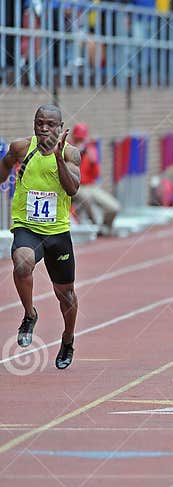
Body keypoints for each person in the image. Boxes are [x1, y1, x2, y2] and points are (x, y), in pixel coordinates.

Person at [0, 105, 82, 369]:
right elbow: (2, 171)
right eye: (39, 123)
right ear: (34, 124)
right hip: (28, 227)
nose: (44, 128)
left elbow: (73, 189)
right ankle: (29, 314)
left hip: (57, 232)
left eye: (50, 124)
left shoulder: (70, 153)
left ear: (60, 127)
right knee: (22, 263)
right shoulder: (21, 148)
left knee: (66, 296)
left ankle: (67, 339)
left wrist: (58, 157)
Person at [69, 122, 120, 236]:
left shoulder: (90, 151)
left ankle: (105, 227)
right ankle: (96, 226)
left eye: (82, 140)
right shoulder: (67, 150)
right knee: (85, 197)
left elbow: (96, 175)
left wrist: (94, 162)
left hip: (91, 186)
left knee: (114, 207)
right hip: (76, 187)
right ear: (73, 138)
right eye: (77, 139)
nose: (80, 143)